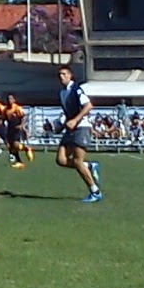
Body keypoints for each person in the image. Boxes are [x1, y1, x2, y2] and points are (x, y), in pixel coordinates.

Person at [56, 64, 102, 202]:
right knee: (61, 160)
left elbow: (88, 106)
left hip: (81, 127)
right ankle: (89, 166)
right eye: (59, 75)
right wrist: (63, 124)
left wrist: (75, 120)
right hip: (71, 128)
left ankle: (95, 192)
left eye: (64, 74)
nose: (61, 77)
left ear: (70, 75)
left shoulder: (76, 89)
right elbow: (68, 111)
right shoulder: (62, 92)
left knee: (77, 161)